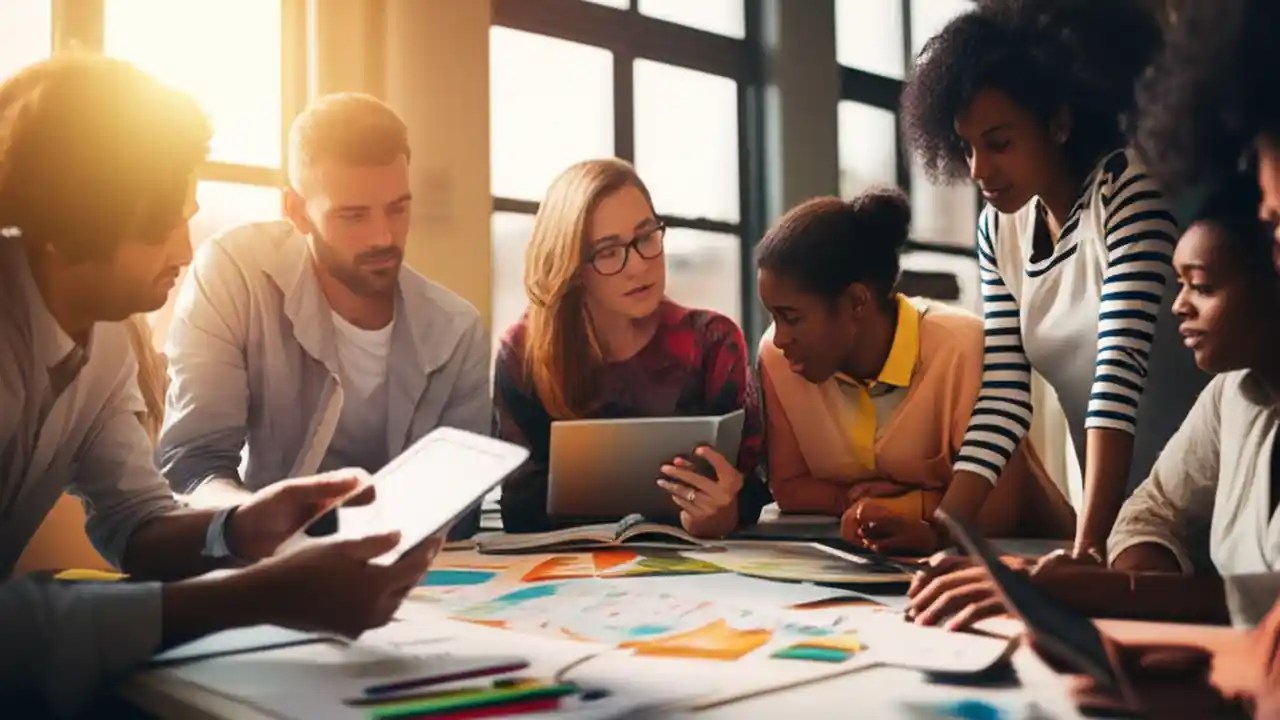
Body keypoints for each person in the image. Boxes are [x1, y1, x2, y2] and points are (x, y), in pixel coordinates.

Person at [0, 55, 441, 714]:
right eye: (157, 228)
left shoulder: (109, 333)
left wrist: (242, 525)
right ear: (69, 227)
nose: (183, 250)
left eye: (186, 215)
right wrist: (262, 594)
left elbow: (134, 523)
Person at [897, 0, 1207, 559]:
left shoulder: (1129, 191)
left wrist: (1088, 548)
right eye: (966, 146)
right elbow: (1005, 398)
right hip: (1120, 529)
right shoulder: (1000, 230)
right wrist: (944, 529)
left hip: (1195, 510)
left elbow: (1119, 374)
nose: (977, 171)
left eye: (999, 142)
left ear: (1059, 123)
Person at [907, 171, 1280, 630]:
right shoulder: (1232, 394)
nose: (1178, 305)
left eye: (1201, 287)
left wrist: (1110, 587)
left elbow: (1116, 378)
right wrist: (1139, 598)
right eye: (1179, 284)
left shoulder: (1125, 195)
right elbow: (1151, 513)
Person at [157, 92, 489, 537]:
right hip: (269, 556)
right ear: (296, 211)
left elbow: (461, 510)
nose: (384, 236)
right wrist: (260, 525)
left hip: (411, 566)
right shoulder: (236, 273)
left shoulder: (457, 330)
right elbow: (193, 466)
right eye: (353, 216)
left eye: (398, 208)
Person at [755, 188, 1074, 551]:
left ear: (856, 302)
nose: (779, 337)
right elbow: (791, 488)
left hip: (1030, 557)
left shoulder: (960, 348)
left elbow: (998, 511)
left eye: (791, 318)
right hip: (908, 557)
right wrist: (855, 502)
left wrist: (906, 505)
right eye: (773, 316)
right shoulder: (778, 359)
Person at [493, 158, 770, 537]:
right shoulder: (523, 352)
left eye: (645, 238)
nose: (638, 265)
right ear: (570, 268)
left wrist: (721, 513)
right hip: (567, 571)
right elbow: (521, 509)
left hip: (693, 567)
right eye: (608, 252)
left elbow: (751, 490)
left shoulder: (713, 342)